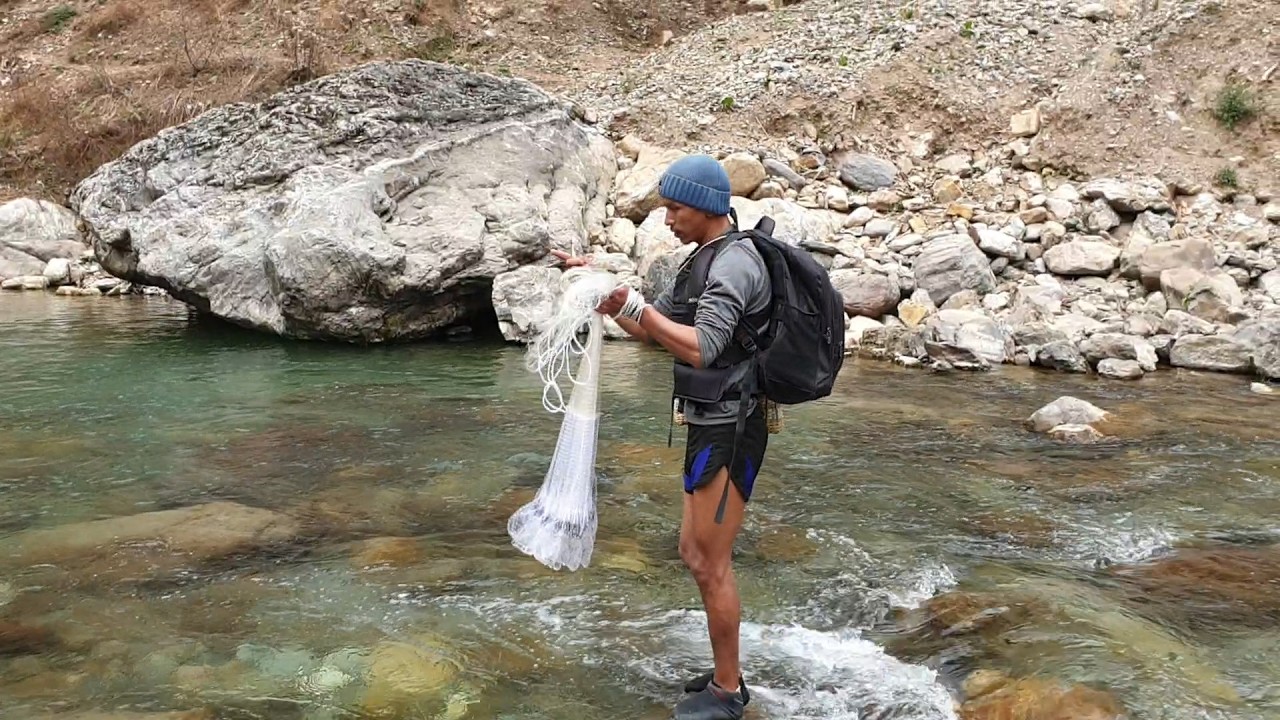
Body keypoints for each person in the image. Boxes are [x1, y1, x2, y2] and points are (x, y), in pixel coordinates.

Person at [552, 153, 772, 720]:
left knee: (709, 561)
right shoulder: (699, 260)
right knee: (692, 552)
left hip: (733, 426)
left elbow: (703, 346)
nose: (666, 218)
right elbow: (657, 333)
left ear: (703, 207)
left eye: (674, 207)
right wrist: (609, 295)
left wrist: (636, 306)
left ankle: (728, 691)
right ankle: (728, 672)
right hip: (707, 421)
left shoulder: (736, 266)